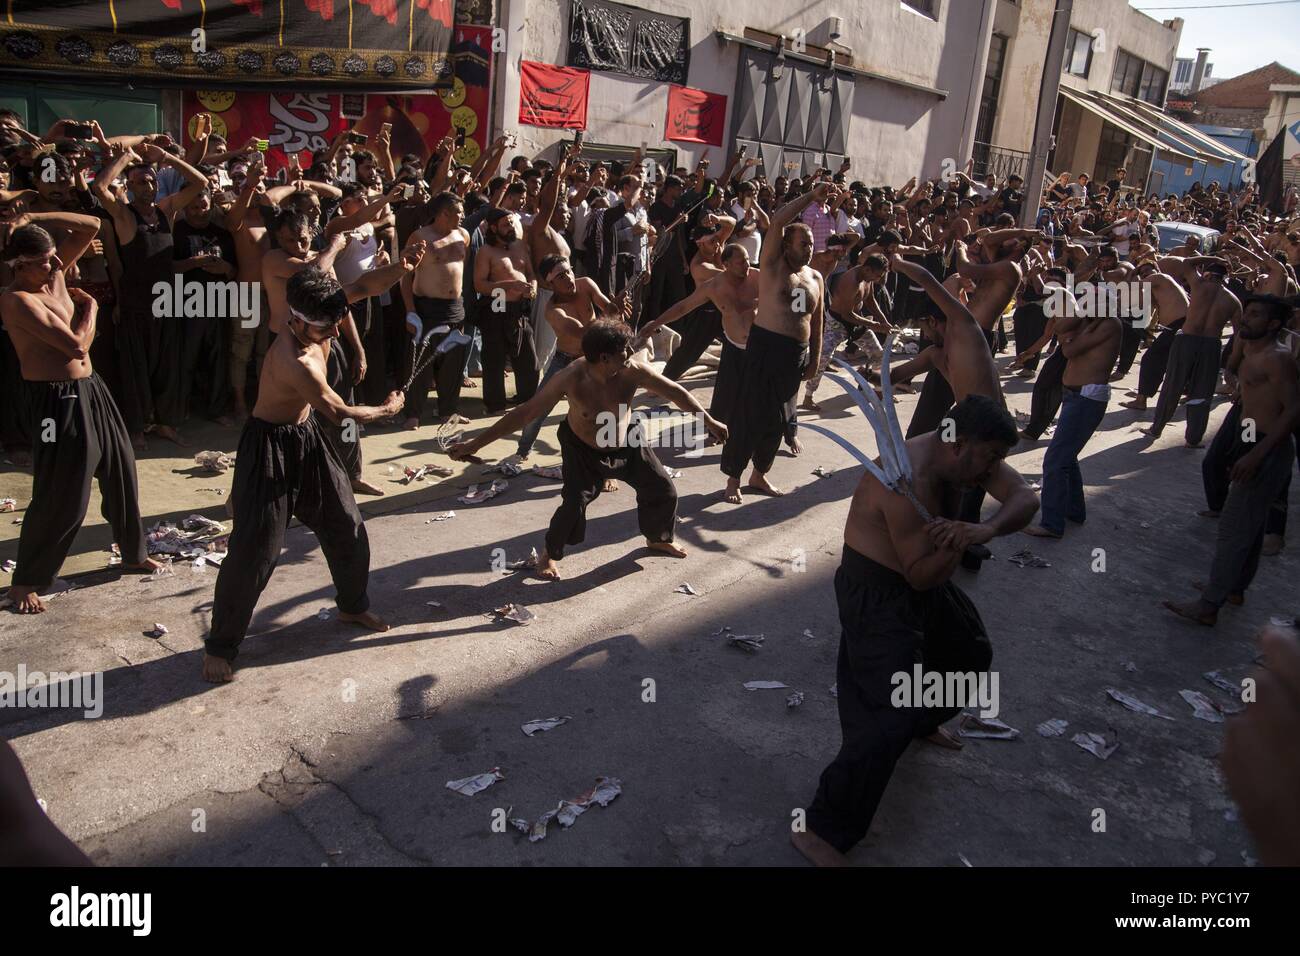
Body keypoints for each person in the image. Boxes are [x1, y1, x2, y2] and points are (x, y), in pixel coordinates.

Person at [791, 395, 1038, 866]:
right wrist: (959, 538)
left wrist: (984, 529)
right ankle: (820, 830)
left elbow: (1027, 498)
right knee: (886, 716)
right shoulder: (908, 480)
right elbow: (921, 574)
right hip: (878, 590)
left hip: (920, 578)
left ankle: (925, 722)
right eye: (990, 459)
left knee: (970, 653)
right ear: (959, 444)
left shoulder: (971, 454)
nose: (995, 470)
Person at [203, 268, 406, 682]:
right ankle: (221, 647)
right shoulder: (292, 360)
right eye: (322, 329)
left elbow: (367, 285)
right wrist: (387, 410)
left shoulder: (320, 309)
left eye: (335, 325)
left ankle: (352, 605)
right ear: (294, 319)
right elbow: (340, 412)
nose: (331, 335)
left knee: (347, 525)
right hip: (268, 450)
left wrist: (405, 267)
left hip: (307, 437)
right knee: (255, 552)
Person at [448, 319, 727, 579]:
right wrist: (474, 444)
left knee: (663, 489)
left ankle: (657, 538)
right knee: (574, 505)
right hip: (582, 448)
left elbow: (676, 392)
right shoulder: (571, 378)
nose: (631, 352)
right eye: (624, 350)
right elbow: (525, 413)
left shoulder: (633, 371)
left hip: (626, 442)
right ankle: (548, 555)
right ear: (604, 357)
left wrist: (709, 420)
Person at [2, 221, 161, 613]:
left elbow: (91, 225)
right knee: (62, 491)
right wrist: (90, 307)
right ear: (19, 265)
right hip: (54, 401)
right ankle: (26, 580)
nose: (57, 264)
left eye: (56, 255)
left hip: (92, 389)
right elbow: (76, 345)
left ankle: (132, 553)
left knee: (121, 470)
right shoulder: (17, 299)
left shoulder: (53, 275)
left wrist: (30, 216)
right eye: (44, 261)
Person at [1162, 296, 1299, 625]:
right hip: (1253, 441)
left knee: (1233, 529)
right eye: (1247, 312)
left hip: (1268, 449)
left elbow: (1295, 409)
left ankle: (1209, 605)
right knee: (1250, 530)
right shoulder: (1253, 350)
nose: (1245, 319)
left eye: (1254, 315)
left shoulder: (1277, 358)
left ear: (1273, 324)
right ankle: (1234, 588)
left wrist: (1255, 454)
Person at [720, 183, 832, 503]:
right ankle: (733, 478)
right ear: (786, 245)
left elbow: (818, 321)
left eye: (811, 243)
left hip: (795, 353)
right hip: (765, 347)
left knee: (779, 418)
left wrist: (814, 360)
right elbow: (779, 220)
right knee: (750, 414)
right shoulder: (773, 264)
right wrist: (811, 196)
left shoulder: (815, 278)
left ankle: (760, 475)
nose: (809, 249)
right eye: (803, 243)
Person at [1024, 303, 1122, 538]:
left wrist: (1070, 337)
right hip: (1075, 396)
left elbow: (1070, 351)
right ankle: (1075, 511)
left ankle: (1052, 524)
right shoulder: (1088, 321)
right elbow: (1059, 327)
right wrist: (1078, 315)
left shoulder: (1110, 324)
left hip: (1087, 398)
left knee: (1055, 461)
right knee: (1067, 457)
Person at [1143, 258, 1242, 447]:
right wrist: (1233, 366)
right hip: (1211, 345)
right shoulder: (1233, 301)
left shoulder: (1199, 285)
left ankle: (1156, 428)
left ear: (1207, 274)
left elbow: (1187, 262)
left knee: (1173, 384)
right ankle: (1194, 438)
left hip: (1187, 340)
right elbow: (1239, 336)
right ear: (1225, 278)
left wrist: (1215, 258)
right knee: (1202, 391)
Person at [400, 190, 472, 427]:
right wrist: (410, 311)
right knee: (420, 363)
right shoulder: (420, 237)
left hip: (455, 307)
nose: (462, 217)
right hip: (426, 307)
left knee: (452, 364)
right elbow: (405, 277)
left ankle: (447, 411)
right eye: (459, 213)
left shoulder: (463, 235)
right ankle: (413, 413)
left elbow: (462, 270)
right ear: (444, 213)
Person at [474, 208, 538, 412]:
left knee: (528, 356)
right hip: (497, 304)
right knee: (494, 357)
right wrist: (508, 286)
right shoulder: (486, 251)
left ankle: (528, 400)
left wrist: (533, 289)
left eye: (512, 223)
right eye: (506, 224)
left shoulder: (520, 245)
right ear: (494, 228)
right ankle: (495, 405)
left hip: (520, 308)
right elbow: (480, 285)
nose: (511, 227)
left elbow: (531, 274)